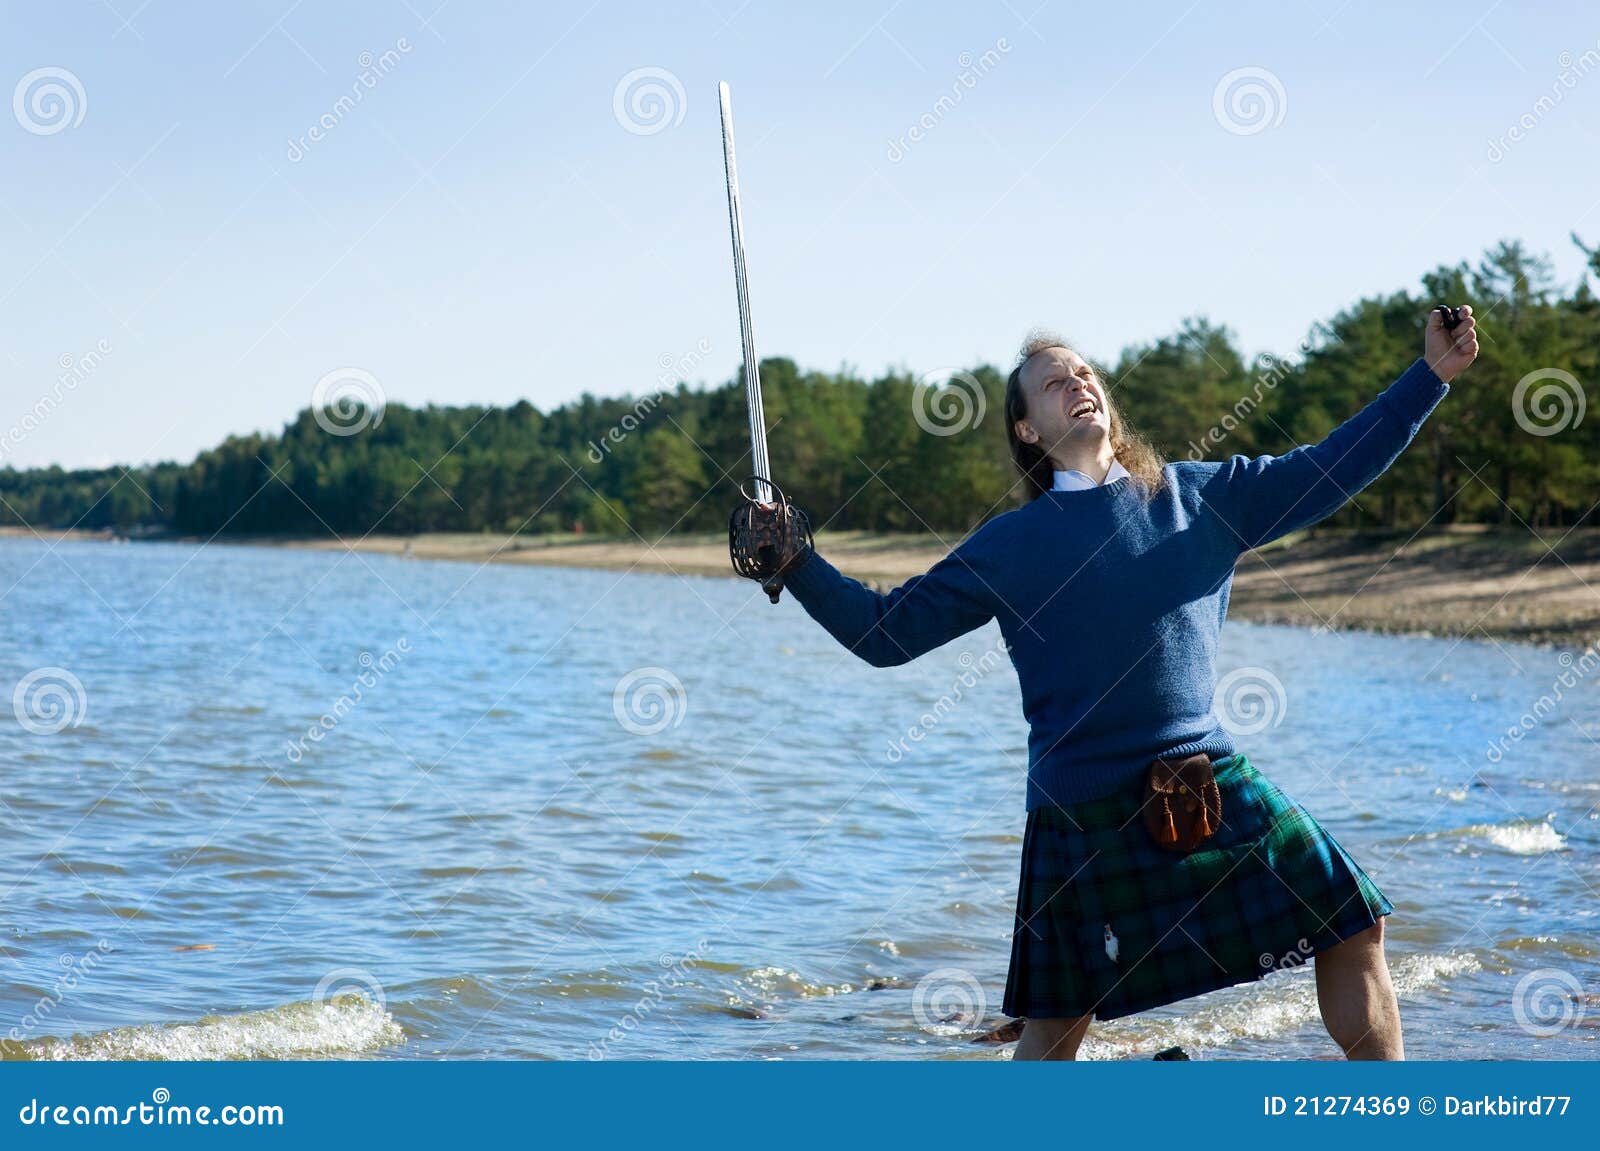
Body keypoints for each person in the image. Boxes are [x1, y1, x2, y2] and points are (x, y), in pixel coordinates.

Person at [759, 306, 1479, 1060]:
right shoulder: (1009, 545)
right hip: (1080, 810)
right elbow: (884, 634)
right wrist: (796, 562)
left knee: (1354, 921)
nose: (1077, 384)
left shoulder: (1200, 498)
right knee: (1057, 1021)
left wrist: (1429, 376)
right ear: (1027, 430)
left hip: (1208, 780)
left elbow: (1334, 465)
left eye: (1084, 373)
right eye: (1052, 383)